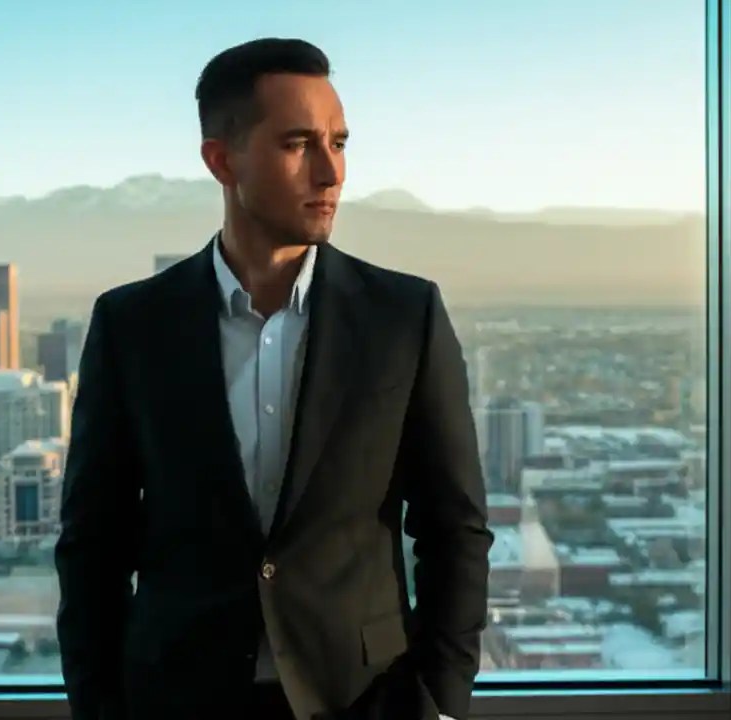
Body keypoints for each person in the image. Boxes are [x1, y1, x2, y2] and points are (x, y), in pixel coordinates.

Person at [55, 37, 493, 720]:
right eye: (298, 144)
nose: (331, 173)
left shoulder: (404, 317)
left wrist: (440, 701)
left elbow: (455, 528)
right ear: (221, 159)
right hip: (177, 701)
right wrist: (99, 707)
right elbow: (93, 543)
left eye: (340, 143)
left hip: (366, 699)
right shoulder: (132, 324)